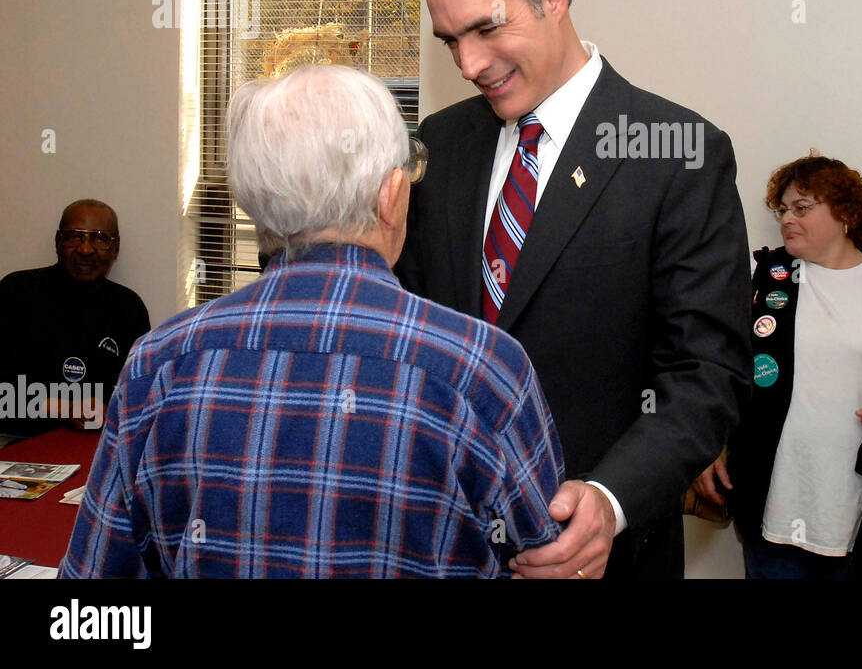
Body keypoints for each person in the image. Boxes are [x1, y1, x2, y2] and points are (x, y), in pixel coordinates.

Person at [60, 65, 564, 578]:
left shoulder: (157, 365)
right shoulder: (482, 371)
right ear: (391, 195)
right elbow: (554, 563)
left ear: (251, 200)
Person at [396, 0, 751, 579]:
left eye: (485, 28)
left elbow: (706, 376)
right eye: (450, 41)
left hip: (607, 558)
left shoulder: (679, 155)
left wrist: (610, 501)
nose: (469, 63)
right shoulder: (435, 148)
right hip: (443, 548)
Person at [693, 154, 862, 578]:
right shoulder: (759, 278)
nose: (787, 219)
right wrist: (704, 445)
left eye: (802, 208)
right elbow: (708, 362)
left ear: (845, 213)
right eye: (782, 209)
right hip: (772, 507)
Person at [0, 200, 150, 437]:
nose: (85, 249)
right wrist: (62, 408)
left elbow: (137, 395)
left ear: (115, 247)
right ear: (58, 242)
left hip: (97, 445)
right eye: (74, 236)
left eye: (99, 237)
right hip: (18, 441)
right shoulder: (17, 292)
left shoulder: (129, 308)